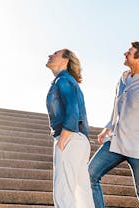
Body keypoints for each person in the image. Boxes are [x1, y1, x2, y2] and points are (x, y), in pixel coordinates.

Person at [89, 41, 139, 208]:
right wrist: (108, 127)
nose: (125, 53)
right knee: (89, 175)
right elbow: (116, 107)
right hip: (115, 141)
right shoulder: (123, 78)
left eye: (129, 52)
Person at [45, 49, 93, 207]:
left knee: (63, 192)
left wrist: (63, 138)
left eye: (55, 54)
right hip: (79, 140)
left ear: (65, 60)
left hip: (70, 137)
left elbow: (73, 109)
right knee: (81, 194)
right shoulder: (68, 80)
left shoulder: (63, 80)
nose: (50, 55)